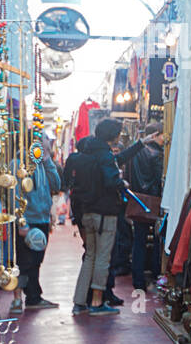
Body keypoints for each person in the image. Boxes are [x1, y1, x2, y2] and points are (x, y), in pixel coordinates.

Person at [62, 119, 127, 316]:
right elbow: (110, 180)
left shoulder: (85, 153)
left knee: (90, 255)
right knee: (102, 257)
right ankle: (97, 302)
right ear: (112, 136)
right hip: (104, 212)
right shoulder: (105, 155)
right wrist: (121, 182)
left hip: (86, 212)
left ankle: (79, 301)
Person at [115, 123, 166, 292]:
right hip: (153, 201)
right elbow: (158, 179)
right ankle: (156, 273)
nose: (164, 139)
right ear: (156, 135)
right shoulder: (157, 155)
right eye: (162, 135)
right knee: (159, 238)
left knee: (139, 240)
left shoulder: (135, 154)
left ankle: (138, 279)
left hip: (137, 200)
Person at [12, 149, 62, 312]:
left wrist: (48, 161)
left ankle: (34, 296)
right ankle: (18, 299)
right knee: (23, 262)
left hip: (41, 218)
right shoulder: (18, 165)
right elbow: (13, 195)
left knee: (36, 261)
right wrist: (21, 223)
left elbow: (56, 184)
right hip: (26, 220)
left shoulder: (43, 164)